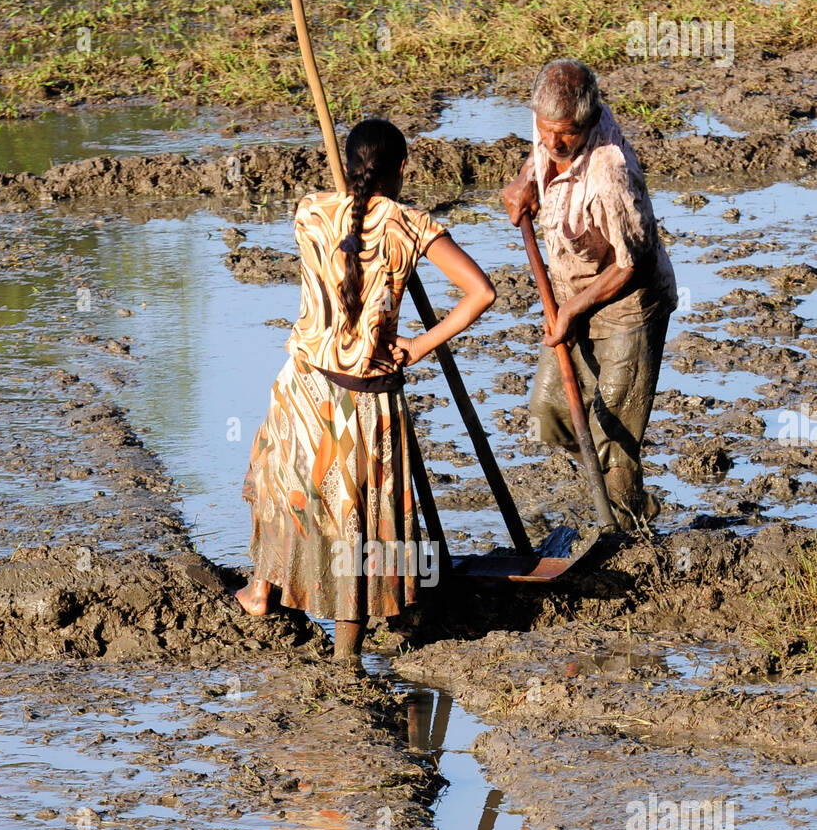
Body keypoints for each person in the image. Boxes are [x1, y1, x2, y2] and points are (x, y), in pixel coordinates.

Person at [235, 117, 496, 660]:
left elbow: (347, 235)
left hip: (305, 388)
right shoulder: (412, 225)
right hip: (366, 401)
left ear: (350, 167)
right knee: (357, 525)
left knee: (283, 488)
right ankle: (346, 655)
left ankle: (263, 588)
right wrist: (420, 345)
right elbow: (481, 293)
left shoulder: (309, 211)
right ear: (403, 169)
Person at [502, 58, 677, 528]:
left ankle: (627, 533)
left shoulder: (609, 172)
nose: (554, 144)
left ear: (591, 120)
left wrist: (573, 309)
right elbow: (540, 154)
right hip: (570, 294)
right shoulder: (550, 126)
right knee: (548, 413)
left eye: (566, 135)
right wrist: (525, 181)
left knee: (612, 440)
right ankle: (626, 502)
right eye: (546, 132)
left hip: (627, 306)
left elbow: (631, 263)